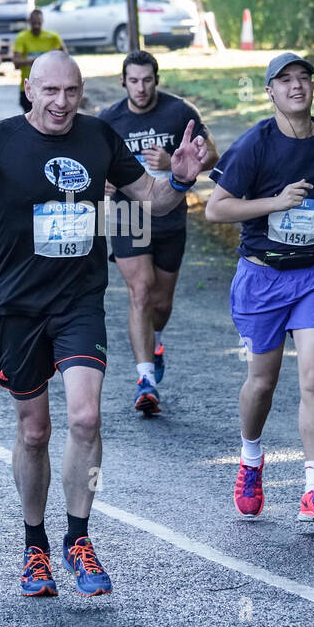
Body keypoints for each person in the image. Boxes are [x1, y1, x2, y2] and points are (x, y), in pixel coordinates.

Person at [0, 50, 211, 598]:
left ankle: (78, 537)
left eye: (71, 91)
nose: (61, 102)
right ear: (29, 90)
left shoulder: (98, 138)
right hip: (19, 308)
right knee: (34, 431)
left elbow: (153, 201)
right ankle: (34, 547)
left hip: (79, 301)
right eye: (50, 91)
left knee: (87, 418)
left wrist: (182, 181)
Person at [204, 52, 314, 522]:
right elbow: (216, 208)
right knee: (262, 382)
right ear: (270, 91)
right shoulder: (255, 144)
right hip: (262, 275)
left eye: (304, 79)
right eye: (285, 80)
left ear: (313, 88)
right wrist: (275, 202)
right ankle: (251, 458)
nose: (297, 87)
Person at [99, 51, 219, 415]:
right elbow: (92, 163)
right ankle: (145, 379)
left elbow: (212, 155)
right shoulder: (109, 120)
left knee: (161, 303)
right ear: (123, 81)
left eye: (147, 80)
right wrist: (101, 179)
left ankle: (157, 342)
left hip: (169, 213)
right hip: (128, 213)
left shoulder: (179, 112)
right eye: (133, 80)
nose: (140, 87)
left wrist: (173, 163)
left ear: (156, 79)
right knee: (140, 291)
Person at [11, 8, 66, 113]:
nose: (36, 25)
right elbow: (16, 61)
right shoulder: (22, 37)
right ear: (29, 22)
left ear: (42, 22)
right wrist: (34, 61)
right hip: (29, 87)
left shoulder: (52, 37)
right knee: (29, 118)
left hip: (50, 86)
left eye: (38, 23)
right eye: (33, 23)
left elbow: (65, 58)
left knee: (48, 116)